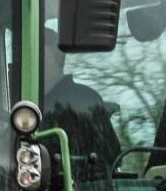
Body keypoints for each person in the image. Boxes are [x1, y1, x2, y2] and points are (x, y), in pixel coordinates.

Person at [41, 42, 120, 181]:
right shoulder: (30, 103)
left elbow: (111, 155)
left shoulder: (82, 99)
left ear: (58, 58)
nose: (36, 62)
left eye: (42, 56)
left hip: (76, 188)